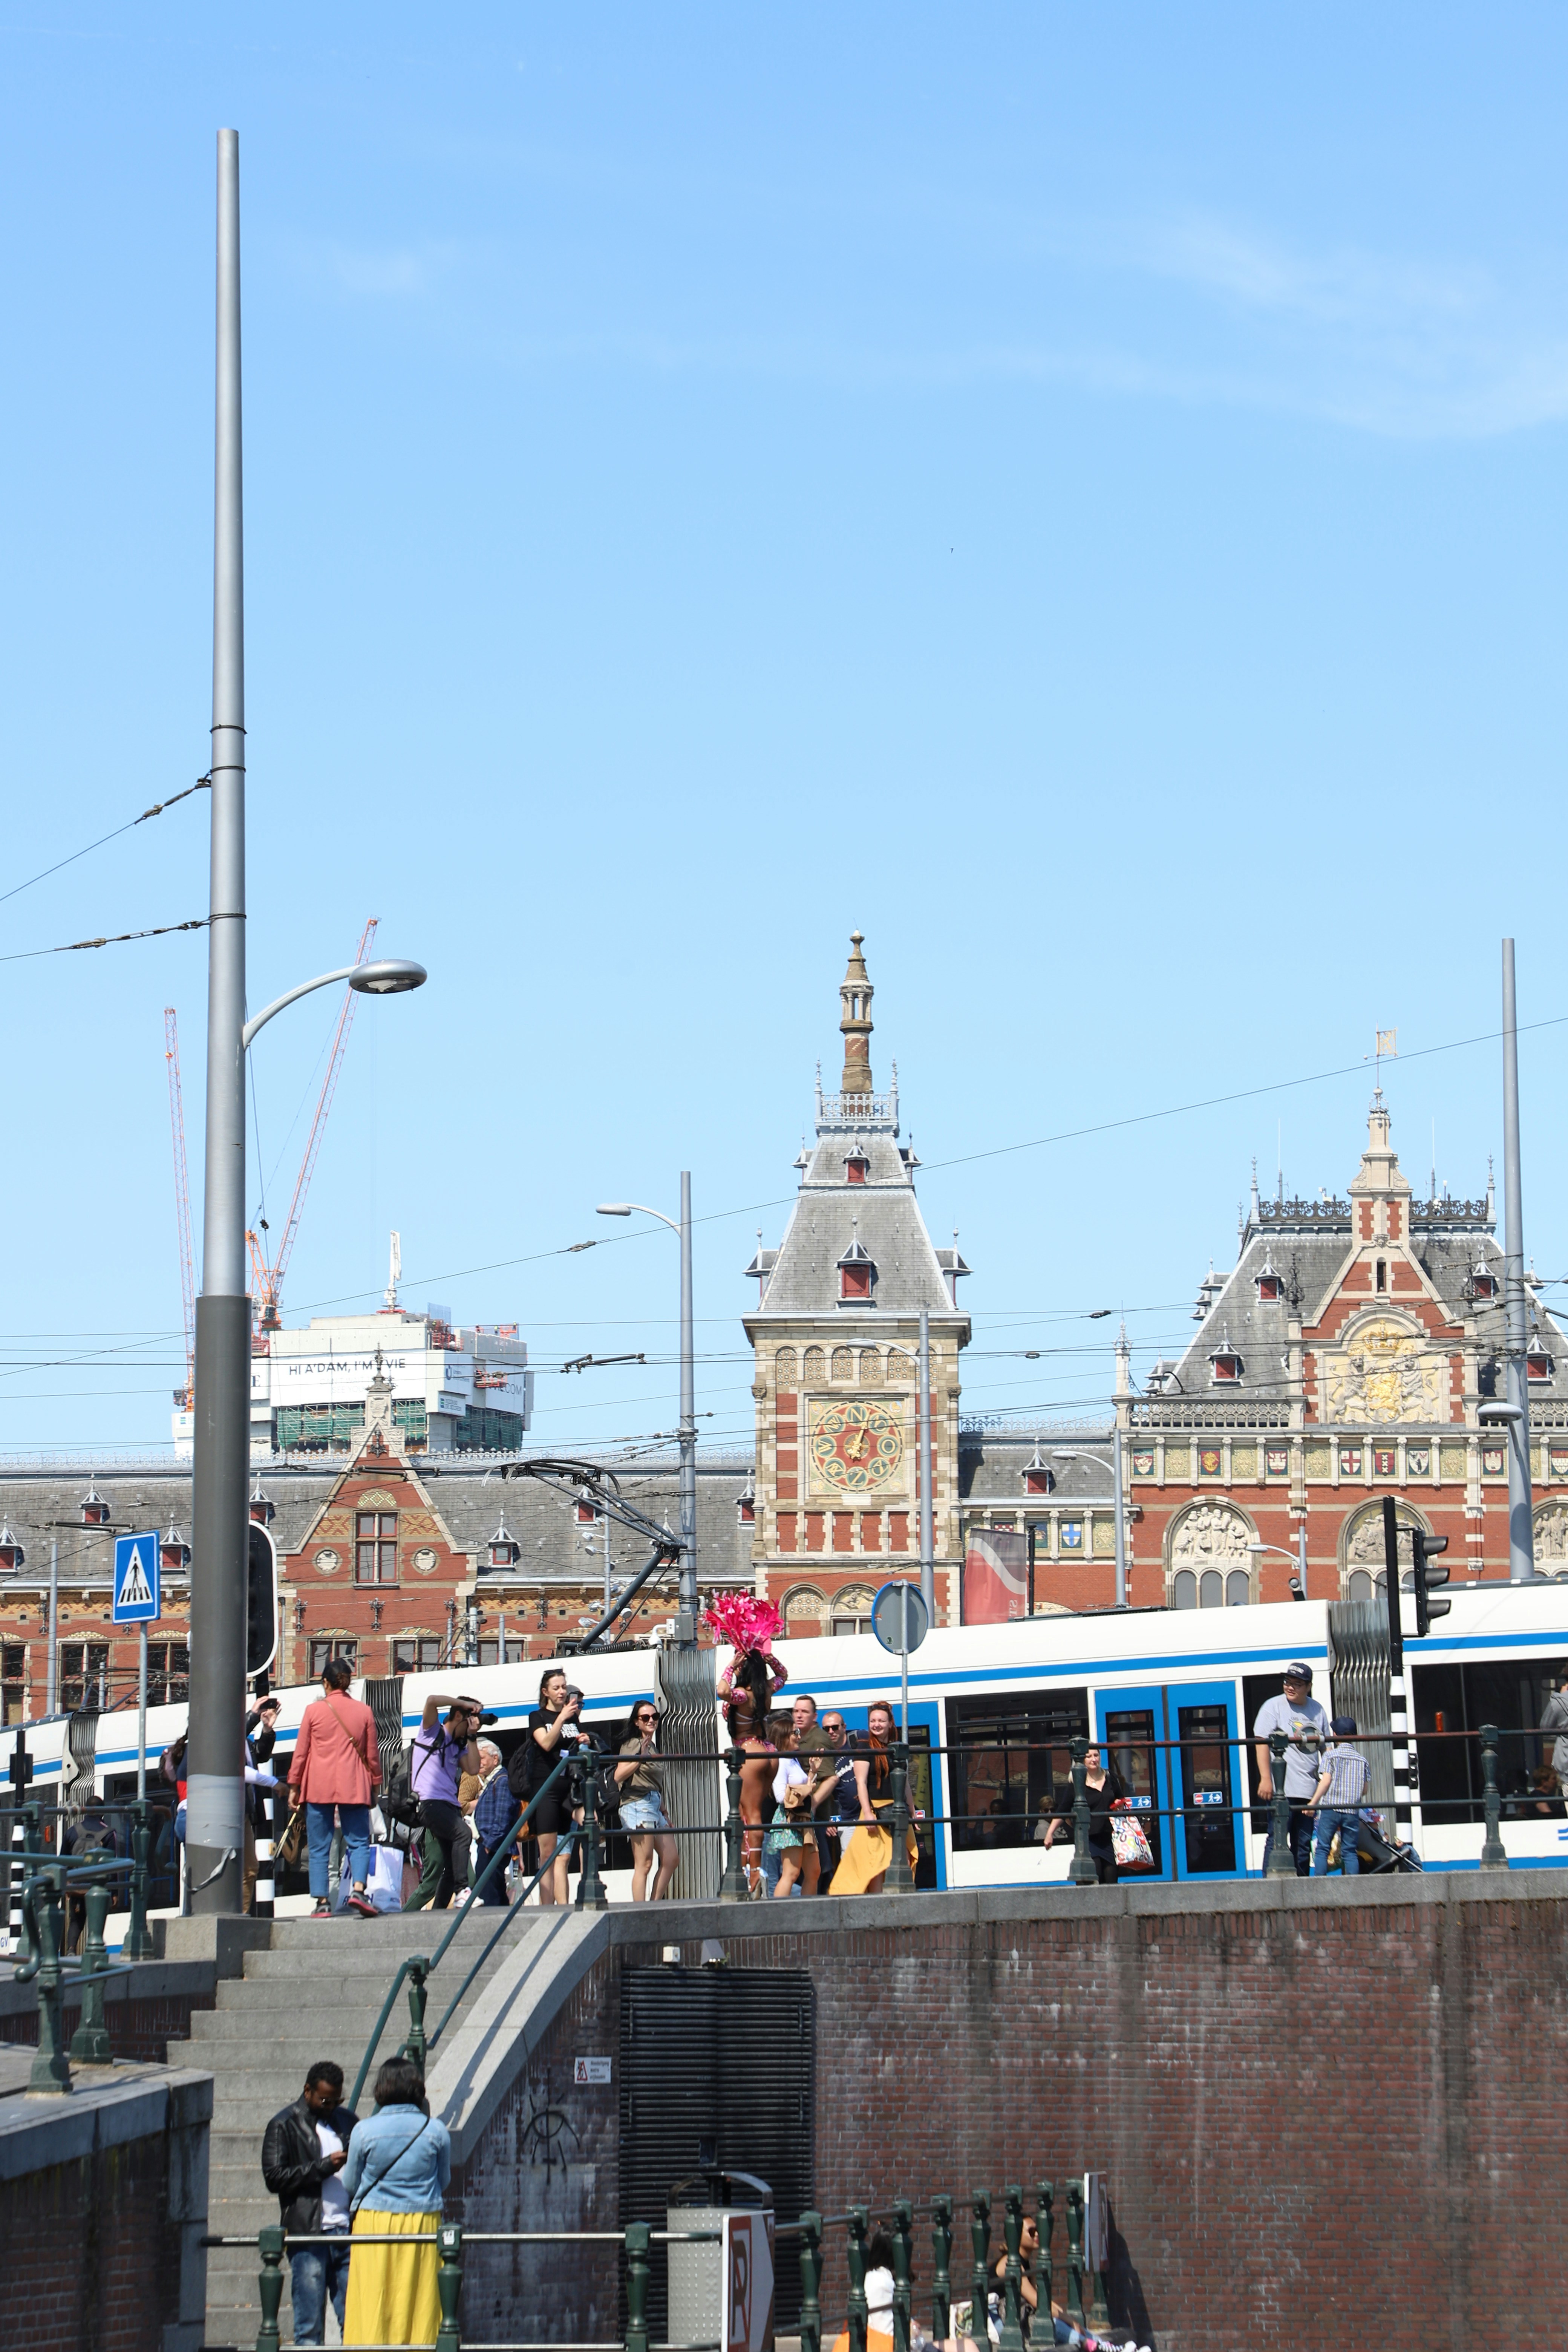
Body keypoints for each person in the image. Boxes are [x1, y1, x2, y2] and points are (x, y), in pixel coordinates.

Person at [341, 2055, 451, 2349]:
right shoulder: (436, 2130)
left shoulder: (364, 2131)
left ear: (382, 2088)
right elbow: (444, 2180)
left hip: (374, 2220)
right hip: (424, 2220)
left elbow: (350, 2184)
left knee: (374, 2294)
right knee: (421, 2295)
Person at [260, 2061, 360, 2347]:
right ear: (308, 2091)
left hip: (348, 2233)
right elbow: (274, 2177)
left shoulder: (348, 2121)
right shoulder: (284, 2125)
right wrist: (323, 2168)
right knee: (309, 2329)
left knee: (354, 2323)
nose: (331, 2106)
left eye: (336, 2100)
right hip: (308, 2235)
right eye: (325, 2100)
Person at [288, 1659, 382, 1920]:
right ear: (348, 1683)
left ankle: (322, 1903)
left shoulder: (313, 1712)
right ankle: (359, 1891)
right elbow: (372, 1756)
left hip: (319, 1785)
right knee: (359, 1842)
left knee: (319, 1846)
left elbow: (301, 1753)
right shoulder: (364, 1712)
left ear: (326, 1683)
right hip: (354, 1784)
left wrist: (294, 1786)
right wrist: (375, 1784)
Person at [717, 1643, 789, 1896]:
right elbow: (783, 1676)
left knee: (749, 1813)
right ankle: (750, 1868)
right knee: (752, 1814)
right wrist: (768, 1658)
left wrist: (730, 1667)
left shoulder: (742, 1695)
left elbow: (722, 1691)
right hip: (769, 1751)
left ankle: (755, 1872)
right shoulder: (767, 1690)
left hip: (749, 1750)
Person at [402, 1694, 483, 1913]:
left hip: (450, 1806)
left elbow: (474, 1769)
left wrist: (473, 1736)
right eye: (468, 1724)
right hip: (430, 1803)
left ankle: (438, 1914)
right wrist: (465, 1705)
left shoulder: (459, 1746)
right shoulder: (432, 1732)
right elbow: (430, 1701)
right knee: (464, 1834)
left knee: (450, 1865)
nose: (468, 1730)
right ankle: (463, 1891)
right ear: (458, 1716)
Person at [515, 1667, 589, 1904]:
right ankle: (546, 1909)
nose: (562, 1692)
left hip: (569, 1789)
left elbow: (572, 1748)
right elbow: (546, 1744)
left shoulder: (572, 1717)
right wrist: (561, 1718)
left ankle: (590, 1888)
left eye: (564, 1687)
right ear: (546, 1692)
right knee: (547, 1855)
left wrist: (583, 1741)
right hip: (546, 1790)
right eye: (556, 1688)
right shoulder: (537, 1717)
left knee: (592, 1822)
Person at [830, 1701, 918, 1897]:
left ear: (890, 1723)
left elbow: (904, 1784)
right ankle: (879, 1904)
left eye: (881, 1721)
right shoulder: (865, 1746)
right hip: (876, 1812)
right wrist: (868, 1814)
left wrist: (912, 1811)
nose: (876, 1725)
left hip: (898, 1810)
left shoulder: (896, 1747)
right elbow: (861, 1783)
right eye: (872, 1721)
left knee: (903, 1858)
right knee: (875, 1865)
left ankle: (900, 1901)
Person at [1253, 1660, 1330, 1876]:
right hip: (1281, 1791)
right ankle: (1269, 1888)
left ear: (1309, 1686)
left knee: (1303, 1843)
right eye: (1288, 1682)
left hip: (1308, 1791)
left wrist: (1323, 1790)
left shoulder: (1318, 1710)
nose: (1290, 1687)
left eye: (1297, 1683)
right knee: (1276, 1839)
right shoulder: (1273, 1706)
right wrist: (1266, 1778)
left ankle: (1302, 1891)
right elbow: (1261, 1742)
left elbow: (1326, 1750)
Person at [615, 1701, 679, 1901]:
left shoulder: (652, 1744)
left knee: (671, 1859)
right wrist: (639, 1758)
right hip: (637, 1803)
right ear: (637, 1722)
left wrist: (664, 1811)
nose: (651, 1721)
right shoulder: (633, 1744)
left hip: (654, 1804)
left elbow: (654, 1783)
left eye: (655, 1716)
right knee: (644, 1863)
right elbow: (618, 1776)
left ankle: (654, 1905)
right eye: (645, 1718)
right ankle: (640, 1910)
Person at [1044, 1745, 1127, 1885]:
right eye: (1089, 1756)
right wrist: (1049, 1834)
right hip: (1088, 1840)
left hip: (1109, 1838)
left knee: (1112, 1881)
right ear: (1082, 1761)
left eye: (1096, 1755)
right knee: (1095, 1875)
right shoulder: (1077, 1784)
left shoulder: (1110, 1777)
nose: (1094, 1759)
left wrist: (1119, 1805)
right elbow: (1063, 1810)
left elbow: (1121, 1799)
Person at [1308, 1714, 1372, 1876]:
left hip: (1331, 1809)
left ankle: (1320, 1885)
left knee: (1323, 1848)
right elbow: (1365, 1790)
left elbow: (1326, 1781)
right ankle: (1352, 1887)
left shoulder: (1330, 1756)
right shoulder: (1362, 1760)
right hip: (1351, 1811)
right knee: (1350, 1851)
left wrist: (1313, 1803)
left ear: (1335, 1735)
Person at [765, 1727, 818, 1899]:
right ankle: (779, 1915)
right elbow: (781, 1797)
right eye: (794, 1733)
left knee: (814, 1871)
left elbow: (802, 1789)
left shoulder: (793, 1759)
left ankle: (807, 1914)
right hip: (790, 1820)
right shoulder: (781, 1761)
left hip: (803, 1819)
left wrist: (813, 1772)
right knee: (791, 1873)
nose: (799, 1736)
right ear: (783, 1736)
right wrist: (807, 1788)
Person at [812, 1709, 858, 1889]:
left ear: (844, 1727)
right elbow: (824, 1789)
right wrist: (830, 1818)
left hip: (868, 1815)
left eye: (835, 1727)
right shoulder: (824, 1756)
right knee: (848, 1862)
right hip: (846, 1818)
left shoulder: (858, 1743)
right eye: (826, 1729)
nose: (831, 1732)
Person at [469, 1744, 519, 1905]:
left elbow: (503, 1817)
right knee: (495, 1891)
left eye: (482, 1758)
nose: (479, 1763)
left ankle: (493, 1926)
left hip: (493, 1847)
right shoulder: (493, 1781)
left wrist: (489, 1845)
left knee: (489, 1894)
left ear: (495, 1759)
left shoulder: (502, 1781)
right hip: (489, 1845)